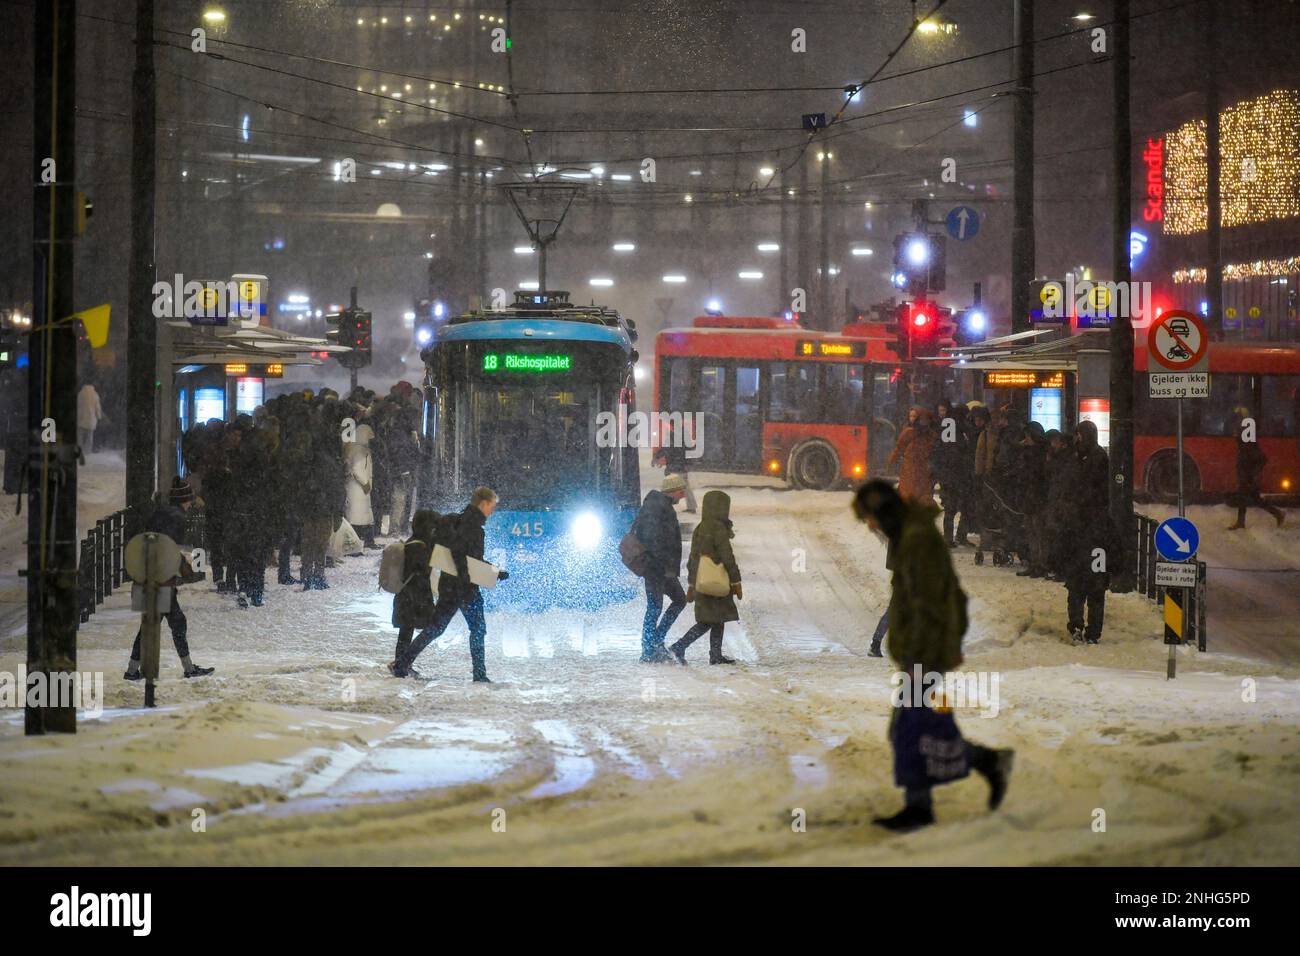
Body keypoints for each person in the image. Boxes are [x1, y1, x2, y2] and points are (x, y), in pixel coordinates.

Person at [852, 480, 1012, 832]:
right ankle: (985, 762)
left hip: (924, 655)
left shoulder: (916, 540)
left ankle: (921, 807)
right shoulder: (909, 535)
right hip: (923, 653)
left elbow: (930, 605)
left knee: (909, 730)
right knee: (921, 727)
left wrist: (919, 662)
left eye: (870, 518)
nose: (870, 526)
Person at [393, 487, 508, 682]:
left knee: (435, 629)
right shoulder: (474, 529)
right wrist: (474, 577)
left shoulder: (455, 521)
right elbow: (465, 559)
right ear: (484, 503)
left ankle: (402, 664)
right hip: (466, 589)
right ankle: (479, 675)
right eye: (492, 506)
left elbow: (461, 557)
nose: (492, 511)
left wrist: (494, 572)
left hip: (449, 586)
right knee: (478, 629)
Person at [124, 477, 215, 681]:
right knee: (171, 623)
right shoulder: (177, 518)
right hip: (160, 579)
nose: (191, 504)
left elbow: (157, 543)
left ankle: (133, 669)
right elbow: (169, 548)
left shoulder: (160, 513)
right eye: (190, 500)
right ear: (184, 500)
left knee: (153, 624)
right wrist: (186, 570)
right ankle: (185, 669)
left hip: (145, 574)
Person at [669, 489, 741, 665]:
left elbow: (693, 558)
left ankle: (715, 655)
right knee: (710, 621)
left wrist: (693, 584)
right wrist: (736, 580)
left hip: (703, 581)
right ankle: (679, 646)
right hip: (717, 581)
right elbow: (727, 556)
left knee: (715, 619)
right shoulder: (718, 528)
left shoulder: (701, 528)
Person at [1063, 420, 1112, 644]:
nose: (1077, 439)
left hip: (1092, 533)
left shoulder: (1096, 459)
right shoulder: (1078, 457)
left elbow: (1091, 492)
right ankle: (1079, 626)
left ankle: (1090, 629)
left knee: (1092, 586)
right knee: (1080, 584)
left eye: (1079, 435)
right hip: (1080, 533)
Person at [634, 475, 688, 663]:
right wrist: (660, 564)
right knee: (655, 607)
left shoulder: (661, 505)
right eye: (681, 490)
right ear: (673, 490)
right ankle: (648, 650)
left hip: (662, 568)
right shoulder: (657, 506)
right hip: (657, 569)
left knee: (678, 601)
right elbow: (652, 538)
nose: (683, 495)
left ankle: (654, 642)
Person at [390, 509, 438, 674]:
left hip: (407, 596)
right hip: (415, 597)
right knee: (433, 627)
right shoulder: (420, 547)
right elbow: (422, 571)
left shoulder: (414, 542)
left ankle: (401, 662)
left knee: (406, 631)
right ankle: (402, 663)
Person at [1228, 408, 1285, 529]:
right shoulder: (1246, 438)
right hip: (1246, 470)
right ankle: (1276, 514)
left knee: (1248, 496)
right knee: (1248, 496)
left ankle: (1277, 513)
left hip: (1248, 471)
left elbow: (1258, 458)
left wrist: (1253, 474)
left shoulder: (1247, 439)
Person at [929, 400, 970, 547]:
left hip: (947, 474)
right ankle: (956, 537)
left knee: (950, 508)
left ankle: (949, 538)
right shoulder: (959, 426)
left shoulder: (943, 425)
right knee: (959, 506)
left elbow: (940, 450)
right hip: (957, 474)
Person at [888, 406, 937, 506]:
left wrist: (891, 463)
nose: (912, 418)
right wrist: (891, 462)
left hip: (919, 470)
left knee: (915, 496)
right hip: (912, 469)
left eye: (914, 416)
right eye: (910, 416)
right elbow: (898, 448)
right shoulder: (909, 432)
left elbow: (898, 449)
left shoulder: (926, 434)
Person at [344, 419, 380, 549]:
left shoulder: (354, 448)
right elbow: (357, 469)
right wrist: (365, 483)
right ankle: (357, 544)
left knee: (360, 516)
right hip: (358, 488)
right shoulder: (360, 451)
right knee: (357, 517)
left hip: (357, 488)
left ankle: (361, 542)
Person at [76, 381, 105, 454]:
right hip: (91, 420)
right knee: (89, 438)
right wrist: (99, 417)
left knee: (80, 437)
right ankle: (88, 452)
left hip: (81, 419)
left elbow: (77, 406)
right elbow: (97, 408)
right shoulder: (95, 395)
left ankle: (80, 451)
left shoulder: (80, 394)